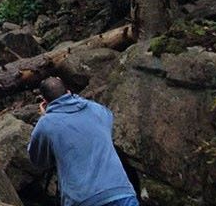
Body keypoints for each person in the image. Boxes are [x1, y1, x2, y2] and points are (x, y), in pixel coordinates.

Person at [27, 76, 139, 206]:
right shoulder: (97, 110)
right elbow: (108, 122)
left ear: (45, 101)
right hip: (120, 192)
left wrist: (46, 116)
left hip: (83, 199)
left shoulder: (46, 123)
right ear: (68, 92)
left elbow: (38, 161)